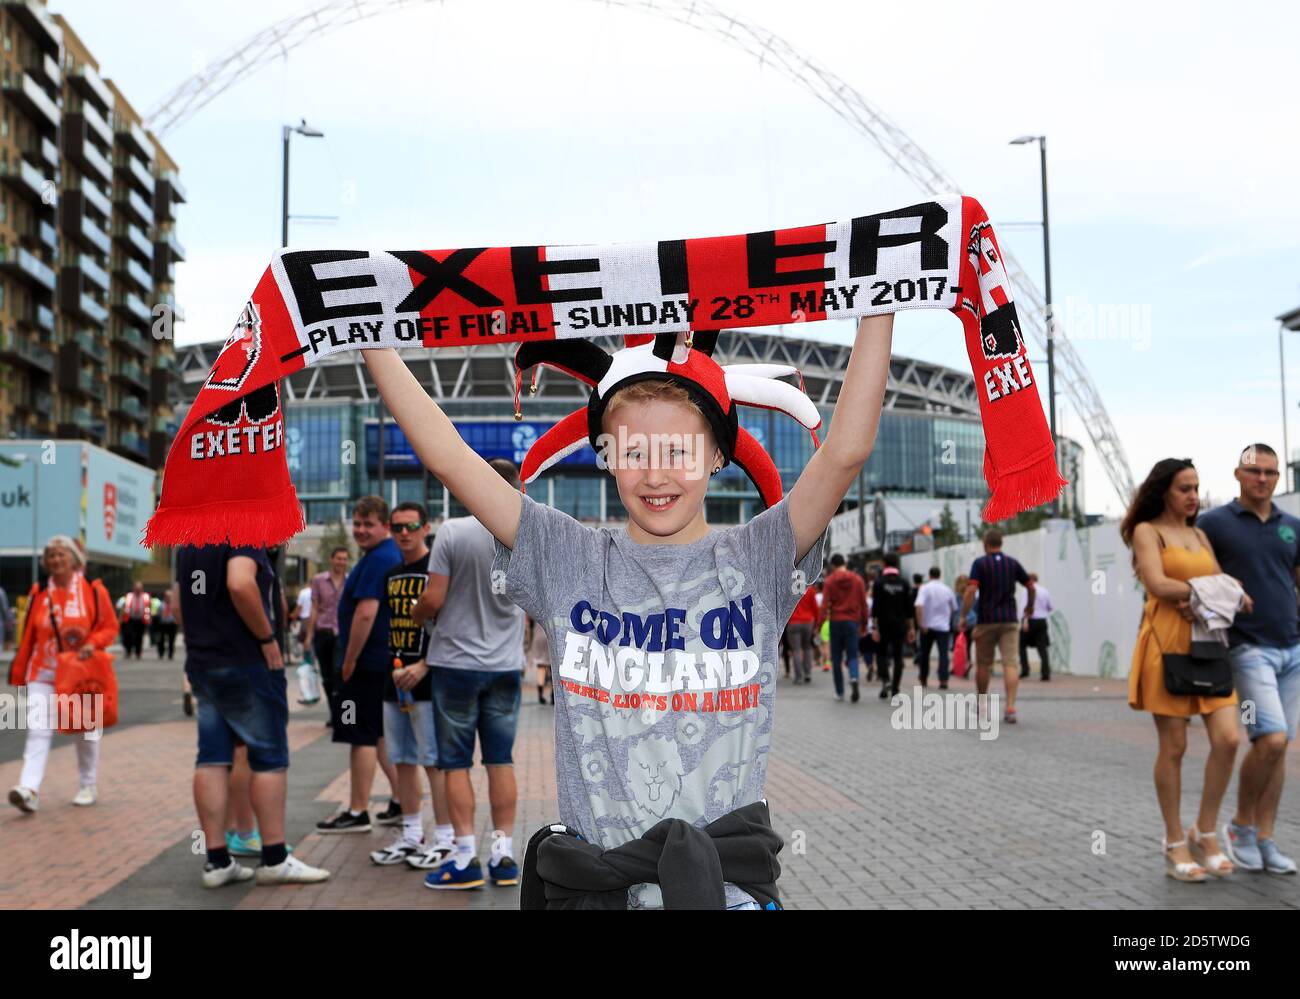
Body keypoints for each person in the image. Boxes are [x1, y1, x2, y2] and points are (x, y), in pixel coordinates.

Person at [363, 312, 894, 908]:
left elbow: (846, 451)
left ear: (720, 454)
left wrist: (880, 300)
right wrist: (368, 339)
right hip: (595, 891)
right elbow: (451, 460)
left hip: (727, 892)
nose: (656, 474)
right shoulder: (565, 557)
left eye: (679, 450)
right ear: (605, 457)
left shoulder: (760, 556)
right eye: (632, 451)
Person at [176, 540, 330, 887]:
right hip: (245, 660)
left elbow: (178, 604)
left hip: (204, 661)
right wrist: (266, 638)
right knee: (269, 758)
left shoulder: (190, 541)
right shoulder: (243, 530)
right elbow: (240, 582)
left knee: (212, 758)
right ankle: (274, 857)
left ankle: (217, 861)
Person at [1123, 457, 1245, 881]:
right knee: (1173, 748)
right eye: (1184, 488)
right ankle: (1174, 841)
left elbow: (1220, 583)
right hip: (1165, 644)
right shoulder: (1147, 531)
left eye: (1196, 488)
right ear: (1163, 491)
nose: (1193, 496)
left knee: (1229, 739)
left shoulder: (1199, 535)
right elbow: (1157, 584)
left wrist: (1208, 595)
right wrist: (1215, 593)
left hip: (1208, 645)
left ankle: (1204, 831)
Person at [410, 459, 528, 890]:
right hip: (504, 666)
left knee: (455, 763)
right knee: (500, 760)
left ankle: (464, 859)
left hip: (455, 665)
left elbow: (433, 598)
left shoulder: (453, 532)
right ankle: (503, 854)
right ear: (516, 488)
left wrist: (415, 612)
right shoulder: (524, 536)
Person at [1199, 444, 1300, 875]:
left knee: (1278, 750)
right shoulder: (1214, 523)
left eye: (1271, 473)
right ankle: (1240, 826)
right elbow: (1197, 576)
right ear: (1238, 475)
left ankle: (1265, 837)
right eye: (1254, 471)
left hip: (1292, 649)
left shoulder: (1292, 526)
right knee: (1271, 738)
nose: (1263, 478)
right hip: (1246, 649)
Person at [370, 502, 456, 871]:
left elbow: (451, 627)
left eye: (412, 526)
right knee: (402, 760)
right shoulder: (390, 574)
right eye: (397, 527)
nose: (404, 533)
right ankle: (410, 835)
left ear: (426, 528)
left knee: (433, 763)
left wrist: (424, 665)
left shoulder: (436, 571)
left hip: (428, 679)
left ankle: (447, 838)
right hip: (395, 679)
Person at [7, 536, 117, 812]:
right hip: (42, 671)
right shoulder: (40, 593)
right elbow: (30, 635)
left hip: (81, 671)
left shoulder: (94, 590)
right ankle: (29, 789)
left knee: (85, 730)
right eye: (51, 556)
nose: (55, 560)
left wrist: (93, 643)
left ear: (73, 558)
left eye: (61, 554)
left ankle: (88, 783)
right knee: (38, 729)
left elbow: (109, 626)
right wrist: (20, 669)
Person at [316, 496, 404, 834]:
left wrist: (348, 660)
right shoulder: (383, 556)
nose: (361, 530)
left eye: (368, 524)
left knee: (360, 737)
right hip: (380, 662)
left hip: (366, 663)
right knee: (380, 736)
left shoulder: (377, 560)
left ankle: (357, 810)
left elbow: (366, 612)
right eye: (357, 523)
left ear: (384, 525)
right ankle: (401, 800)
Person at [959, 529, 1033, 723]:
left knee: (983, 663)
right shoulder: (1012, 563)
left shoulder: (980, 564)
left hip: (986, 621)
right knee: (1010, 663)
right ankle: (1010, 707)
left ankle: (982, 704)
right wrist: (1029, 607)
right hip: (1009, 620)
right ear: (1001, 543)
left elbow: (971, 590)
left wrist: (964, 615)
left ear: (985, 544)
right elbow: (1030, 585)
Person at [305, 546, 350, 728]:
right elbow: (314, 608)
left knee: (339, 673)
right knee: (327, 677)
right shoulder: (319, 580)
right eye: (339, 558)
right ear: (332, 559)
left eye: (345, 559)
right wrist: (309, 635)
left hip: (342, 633)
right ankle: (334, 714)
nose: (342, 562)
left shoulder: (350, 580)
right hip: (323, 632)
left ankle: (344, 716)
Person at [823, 553, 868, 702]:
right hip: (852, 622)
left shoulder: (829, 581)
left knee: (836, 657)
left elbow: (825, 605)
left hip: (836, 621)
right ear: (845, 563)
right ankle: (854, 677)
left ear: (833, 566)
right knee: (853, 655)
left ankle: (839, 691)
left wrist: (819, 624)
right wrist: (864, 623)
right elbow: (863, 604)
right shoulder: (857, 580)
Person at [871, 552, 915, 700]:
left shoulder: (879, 583)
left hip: (883, 625)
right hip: (900, 625)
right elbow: (909, 608)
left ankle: (885, 682)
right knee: (898, 657)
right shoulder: (904, 583)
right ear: (897, 564)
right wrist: (911, 628)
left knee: (881, 654)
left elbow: (875, 608)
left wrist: (875, 628)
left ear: (884, 564)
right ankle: (895, 688)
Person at [914, 566, 958, 689]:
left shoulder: (924, 589)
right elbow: (954, 608)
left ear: (930, 575)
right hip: (943, 627)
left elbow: (919, 606)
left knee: (924, 654)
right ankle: (943, 680)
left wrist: (920, 623)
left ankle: (923, 678)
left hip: (927, 627)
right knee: (943, 654)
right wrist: (946, 617)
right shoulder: (947, 589)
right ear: (940, 574)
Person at [1017, 573, 1053, 680]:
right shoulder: (1045, 591)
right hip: (1041, 621)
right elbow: (1050, 607)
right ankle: (1045, 672)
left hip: (1029, 620)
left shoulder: (1026, 591)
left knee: (1021, 645)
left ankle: (1025, 669)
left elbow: (1024, 607)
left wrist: (1024, 620)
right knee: (1042, 648)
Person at [786, 578, 819, 685]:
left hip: (793, 622)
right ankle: (808, 673)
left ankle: (798, 676)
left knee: (796, 650)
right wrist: (817, 623)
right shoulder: (810, 589)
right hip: (808, 622)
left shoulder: (789, 589)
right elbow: (815, 608)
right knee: (807, 647)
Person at [117, 581, 150, 659]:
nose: (138, 590)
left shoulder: (146, 597)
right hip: (129, 619)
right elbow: (123, 608)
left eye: (140, 588)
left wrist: (149, 618)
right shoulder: (128, 596)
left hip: (141, 620)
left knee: (139, 636)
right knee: (129, 635)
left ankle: (138, 652)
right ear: (134, 588)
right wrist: (121, 618)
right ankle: (128, 651)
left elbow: (148, 608)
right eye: (136, 588)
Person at [527, 615, 553, 704]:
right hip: (550, 637)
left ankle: (540, 695)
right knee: (553, 668)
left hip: (538, 637)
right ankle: (553, 696)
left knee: (541, 667)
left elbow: (530, 624)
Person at [156, 585, 179, 660]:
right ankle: (161, 652)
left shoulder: (174, 605)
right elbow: (158, 614)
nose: (168, 598)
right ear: (165, 597)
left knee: (171, 640)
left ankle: (170, 654)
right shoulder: (161, 605)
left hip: (172, 624)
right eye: (167, 596)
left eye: (170, 596)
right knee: (161, 639)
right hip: (163, 624)